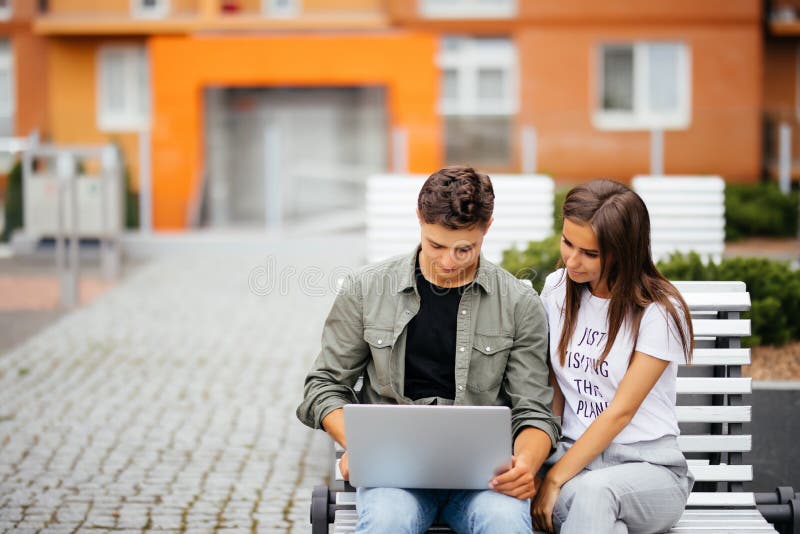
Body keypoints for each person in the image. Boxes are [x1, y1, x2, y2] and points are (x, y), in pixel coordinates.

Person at [297, 166, 560, 534]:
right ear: (419, 219)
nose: (449, 262)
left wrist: (526, 466)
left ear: (487, 228)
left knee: (505, 523)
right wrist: (358, 446)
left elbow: (533, 410)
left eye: (464, 249)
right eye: (436, 245)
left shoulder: (519, 303)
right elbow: (322, 386)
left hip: (486, 483)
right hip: (393, 480)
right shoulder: (366, 289)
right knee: (388, 521)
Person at [531, 179, 695, 534]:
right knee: (603, 518)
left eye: (590, 253)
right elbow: (556, 388)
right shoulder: (557, 289)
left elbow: (620, 412)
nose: (572, 260)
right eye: (567, 243)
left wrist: (555, 478)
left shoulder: (658, 312)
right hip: (576, 462)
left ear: (625, 251)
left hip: (649, 471)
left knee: (597, 494)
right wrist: (543, 461)